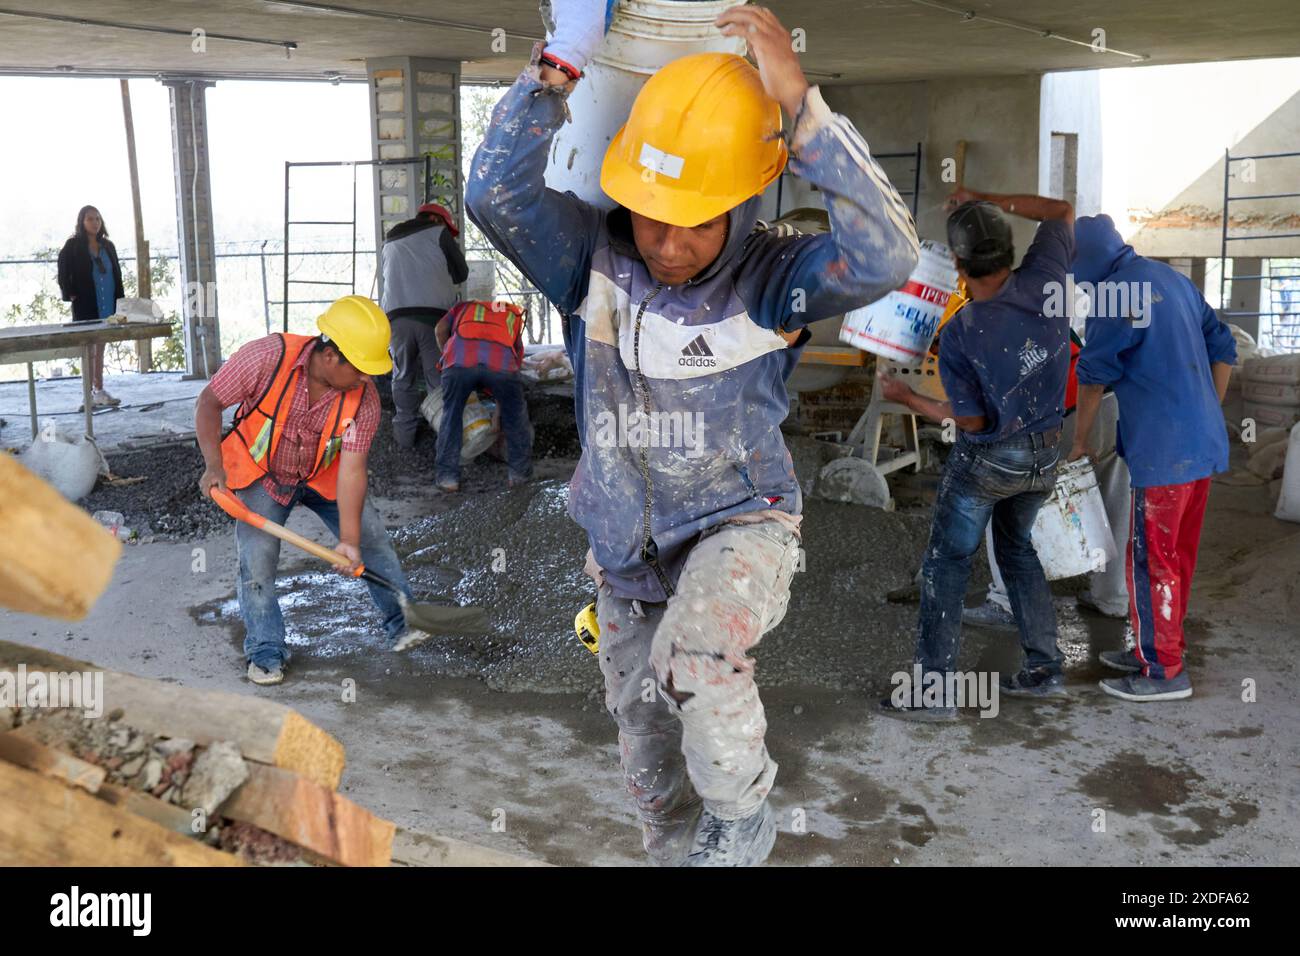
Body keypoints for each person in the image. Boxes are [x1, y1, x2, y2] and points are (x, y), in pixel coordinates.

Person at [467, 1, 919, 865]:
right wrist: (561, 64)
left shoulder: (776, 275)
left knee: (698, 655)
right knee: (642, 738)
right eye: (652, 214)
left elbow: (887, 257)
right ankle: (680, 852)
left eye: (698, 220)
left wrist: (802, 105)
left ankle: (745, 822)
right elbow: (493, 193)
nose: (670, 244)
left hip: (739, 525)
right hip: (624, 551)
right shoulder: (590, 260)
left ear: (743, 205)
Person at [878, 188, 1075, 721]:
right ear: (1011, 253)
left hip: (991, 461)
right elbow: (1059, 211)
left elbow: (971, 422)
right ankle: (1044, 668)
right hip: (1045, 452)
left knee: (947, 563)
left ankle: (933, 692)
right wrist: (986, 198)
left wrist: (906, 397)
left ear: (958, 266)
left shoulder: (962, 333)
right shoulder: (1046, 280)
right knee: (1016, 551)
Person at [193, 296, 422, 686]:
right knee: (258, 556)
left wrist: (349, 542)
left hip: (322, 475)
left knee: (373, 541)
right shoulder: (266, 358)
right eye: (362, 369)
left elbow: (352, 470)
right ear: (331, 356)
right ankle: (266, 649)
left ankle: (402, 624)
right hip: (262, 474)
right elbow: (209, 401)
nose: (368, 380)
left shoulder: (364, 400)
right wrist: (214, 465)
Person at [1069, 214, 1237, 702]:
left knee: (1151, 562)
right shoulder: (1171, 279)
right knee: (1176, 557)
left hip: (1165, 457)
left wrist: (1080, 444)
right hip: (1200, 446)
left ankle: (1164, 671)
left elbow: (1094, 377)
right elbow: (1223, 344)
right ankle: (1154, 647)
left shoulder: (1110, 298)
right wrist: (1206, 406)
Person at [962, 332, 1133, 629]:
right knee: (1113, 493)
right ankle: (1112, 597)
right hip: (1110, 402)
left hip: (1065, 411)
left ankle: (1009, 603)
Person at [380, 203, 469, 448]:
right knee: (436, 378)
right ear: (433, 218)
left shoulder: (389, 241)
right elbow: (461, 273)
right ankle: (448, 442)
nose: (447, 232)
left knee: (403, 376)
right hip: (434, 318)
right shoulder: (437, 232)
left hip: (396, 319)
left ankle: (404, 439)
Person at [432, 300, 533, 491]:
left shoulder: (464, 307)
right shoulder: (513, 314)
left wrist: (448, 355)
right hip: (500, 365)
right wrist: (498, 415)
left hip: (459, 362)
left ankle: (448, 478)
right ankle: (519, 476)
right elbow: (513, 365)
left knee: (451, 416)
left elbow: (439, 329)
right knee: (515, 417)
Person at [57, 205, 125, 408]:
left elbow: (117, 273)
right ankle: (87, 394)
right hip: (86, 303)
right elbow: (62, 271)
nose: (95, 223)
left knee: (101, 347)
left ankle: (99, 390)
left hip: (107, 303)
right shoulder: (73, 246)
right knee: (88, 349)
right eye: (90, 219)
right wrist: (70, 293)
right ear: (82, 222)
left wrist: (120, 301)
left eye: (97, 219)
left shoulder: (108, 246)